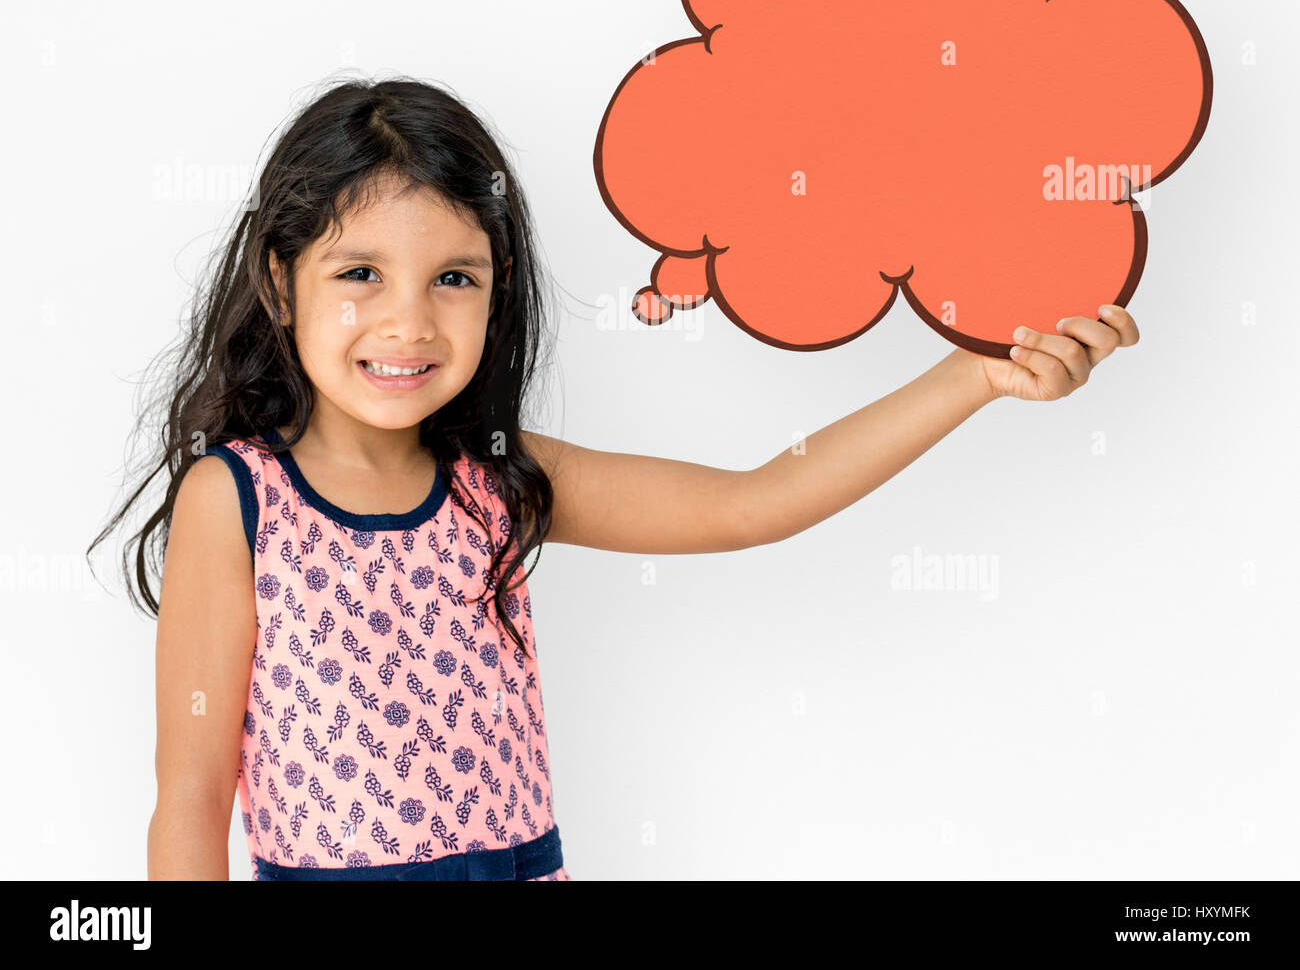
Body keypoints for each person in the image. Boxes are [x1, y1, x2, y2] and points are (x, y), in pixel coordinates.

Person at [88, 76, 1139, 881]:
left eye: (454, 278)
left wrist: (970, 376)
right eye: (359, 273)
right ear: (281, 278)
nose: (408, 320)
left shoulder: (497, 480)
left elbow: (750, 502)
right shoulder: (236, 500)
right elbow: (190, 794)